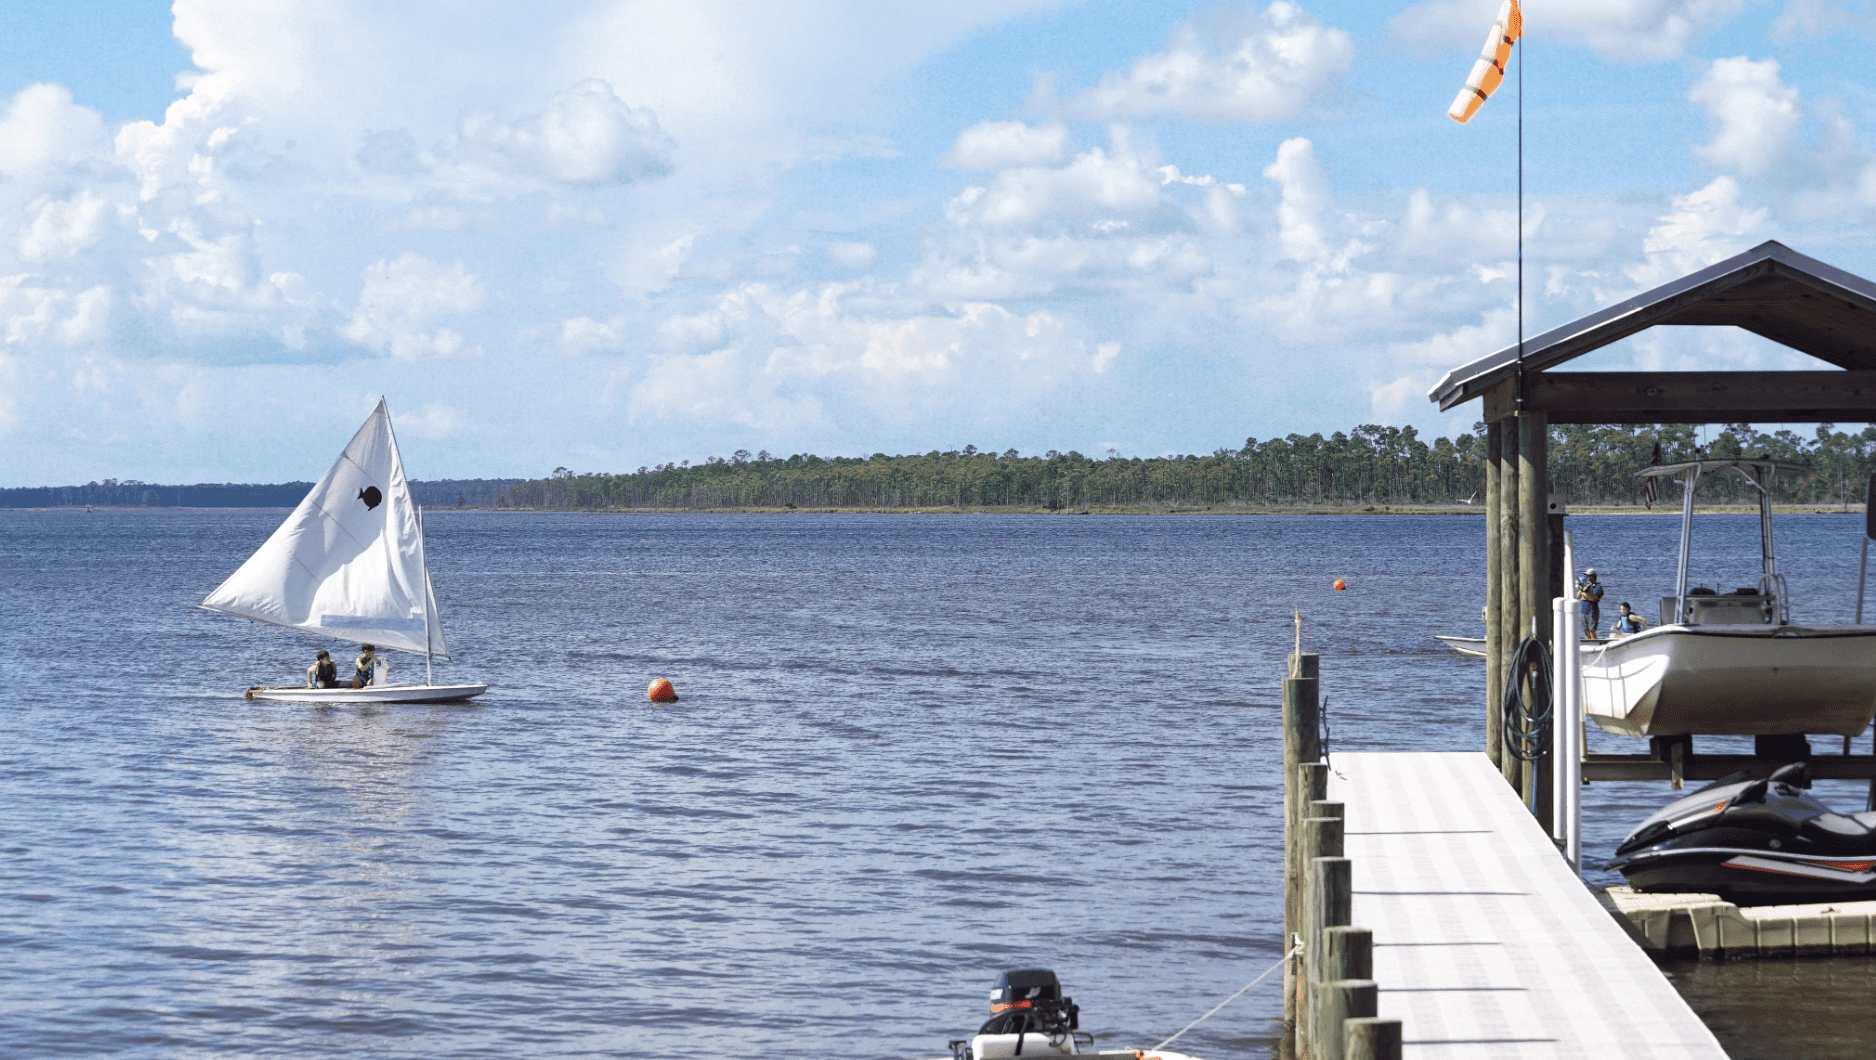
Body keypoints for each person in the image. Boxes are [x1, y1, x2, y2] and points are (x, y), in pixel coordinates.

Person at [1576, 568, 1604, 640]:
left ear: (1594, 576)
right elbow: (1578, 596)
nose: (1588, 578)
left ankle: (1594, 642)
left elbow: (1593, 598)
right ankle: (1588, 641)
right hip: (1583, 611)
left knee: (1592, 630)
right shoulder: (1587, 586)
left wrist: (1584, 594)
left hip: (1592, 612)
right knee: (1586, 630)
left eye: (1589, 576)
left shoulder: (1598, 587)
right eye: (1587, 576)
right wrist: (1581, 589)